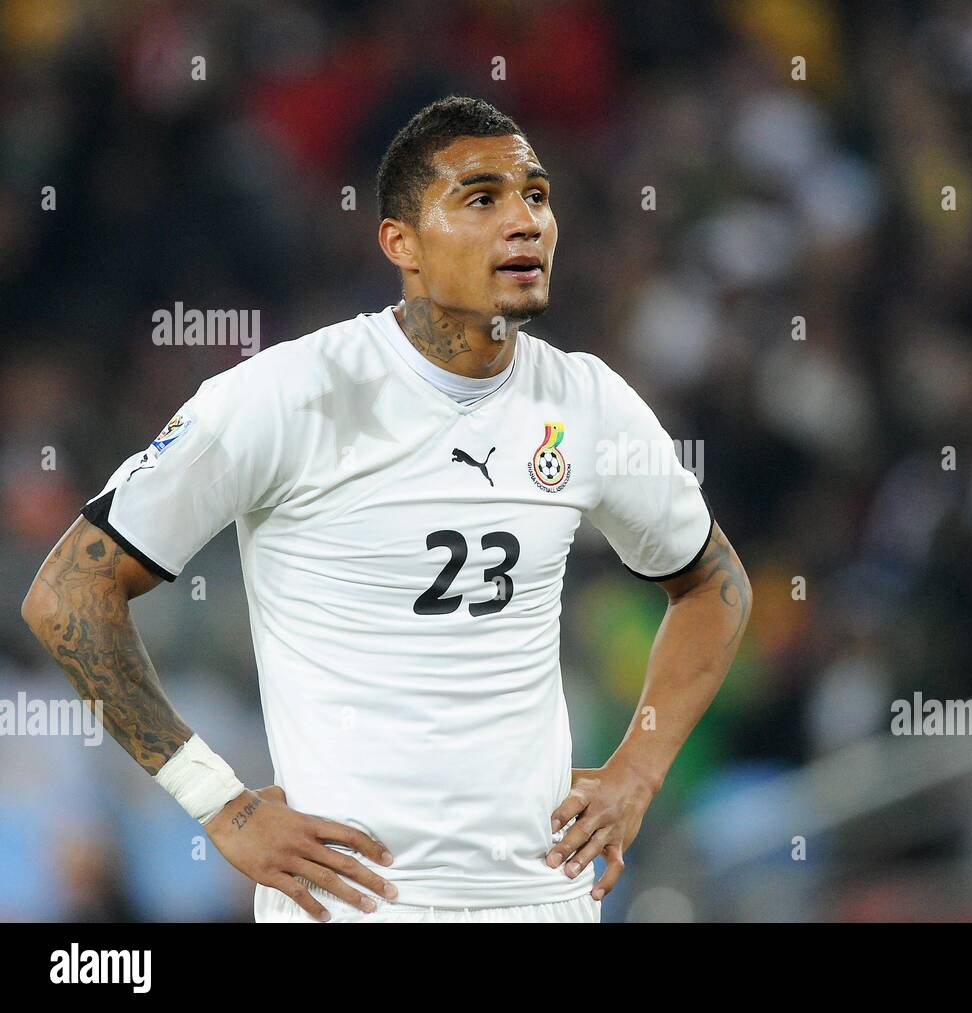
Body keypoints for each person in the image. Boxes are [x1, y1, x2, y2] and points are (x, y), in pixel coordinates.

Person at [21, 95, 751, 924]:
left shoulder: (586, 402)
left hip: (544, 899)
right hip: (356, 903)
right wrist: (220, 802)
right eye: (482, 198)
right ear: (399, 243)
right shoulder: (289, 395)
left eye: (537, 196)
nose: (527, 222)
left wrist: (637, 771)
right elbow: (68, 593)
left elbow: (713, 584)